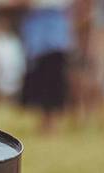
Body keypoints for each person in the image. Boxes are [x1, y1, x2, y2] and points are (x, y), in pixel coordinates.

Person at [17, 0, 73, 133]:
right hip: (39, 26)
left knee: (52, 76)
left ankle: (51, 121)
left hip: (52, 25)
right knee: (43, 76)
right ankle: (46, 120)